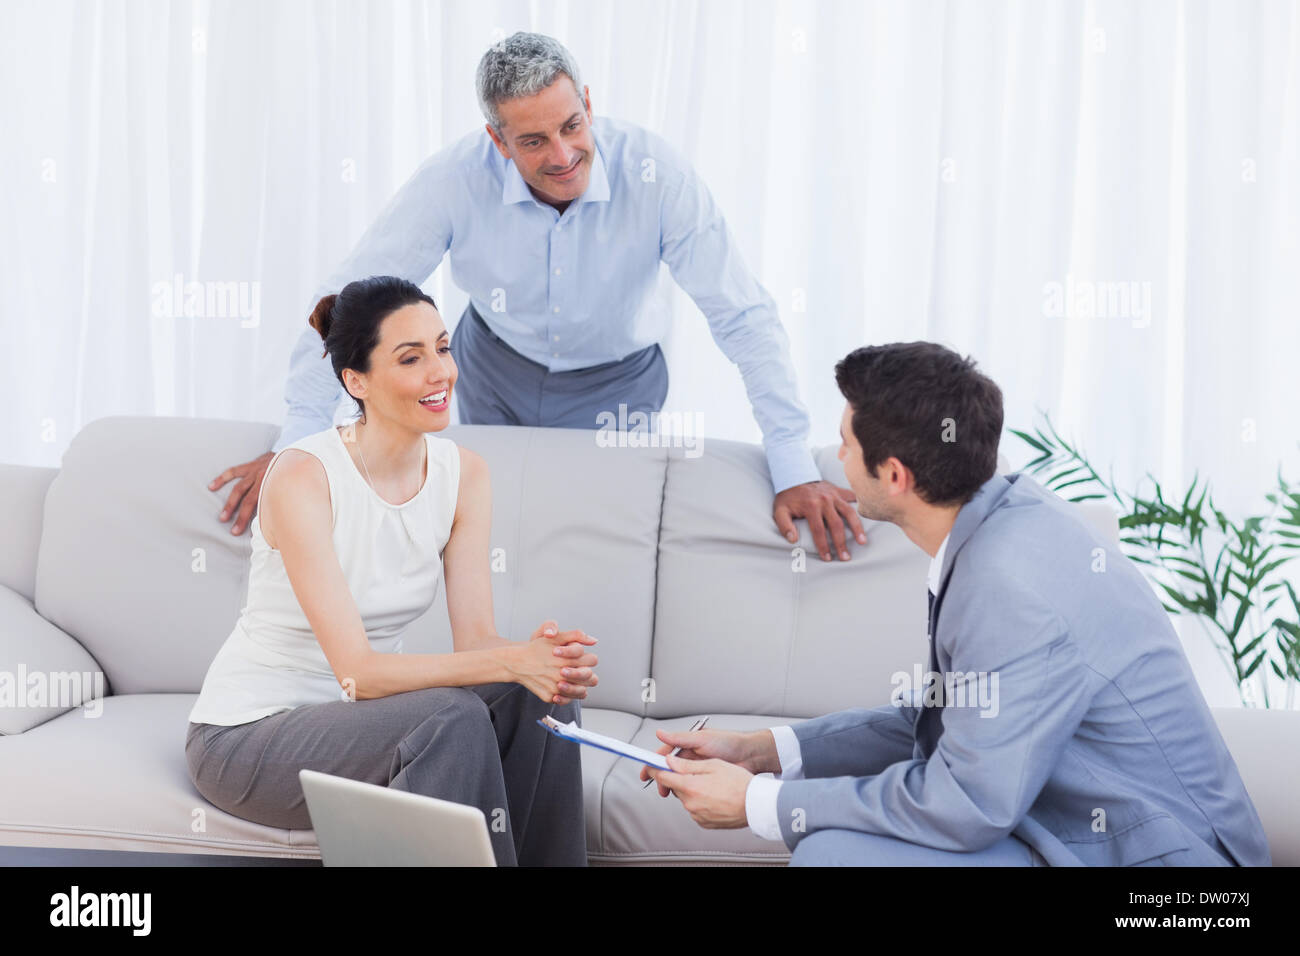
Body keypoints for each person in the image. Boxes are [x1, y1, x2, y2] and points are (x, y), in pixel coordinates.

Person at [209, 31, 866, 566]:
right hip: (494, 368)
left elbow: (743, 317)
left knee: (597, 545)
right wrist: (299, 449)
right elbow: (349, 299)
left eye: (572, 125)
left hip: (620, 385)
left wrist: (791, 466)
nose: (563, 155)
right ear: (497, 140)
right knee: (493, 536)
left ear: (586, 99)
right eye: (532, 141)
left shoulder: (657, 176)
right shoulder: (454, 180)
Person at [642, 341, 1272, 867]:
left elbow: (965, 802)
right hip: (1067, 824)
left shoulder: (1011, 589)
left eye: (845, 444)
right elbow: (947, 719)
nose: (836, 458)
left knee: (833, 856)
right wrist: (763, 752)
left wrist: (756, 803)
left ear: (894, 476)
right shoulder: (1001, 519)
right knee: (832, 848)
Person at [186, 276, 597, 866]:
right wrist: (508, 661)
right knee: (449, 718)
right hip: (250, 736)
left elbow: (477, 643)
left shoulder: (466, 475)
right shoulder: (304, 477)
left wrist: (537, 662)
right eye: (411, 357)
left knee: (539, 696)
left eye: (444, 347)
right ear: (357, 381)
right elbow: (355, 674)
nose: (441, 372)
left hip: (368, 726)